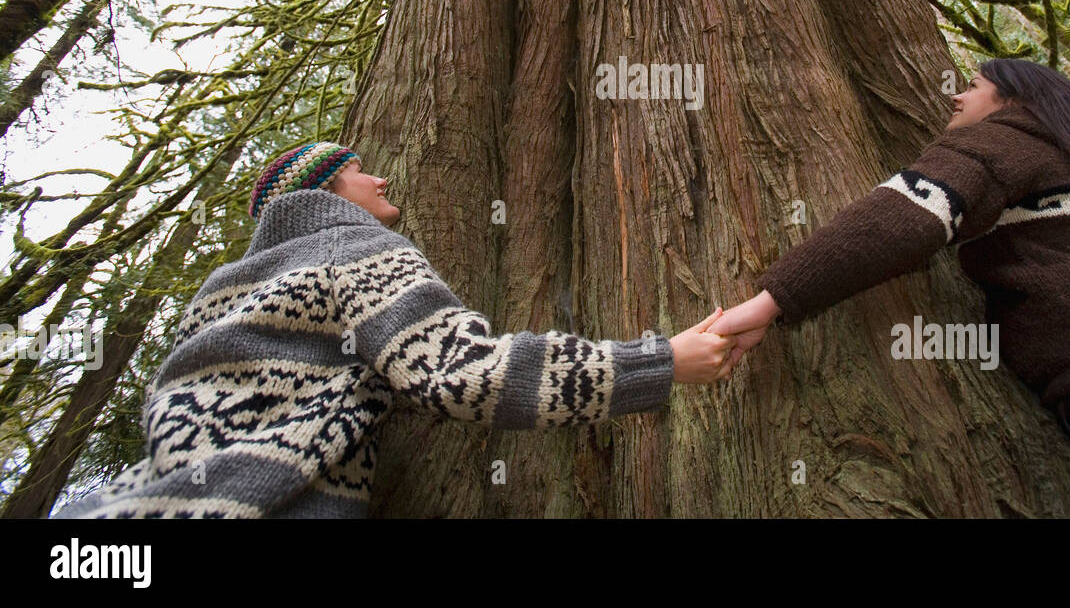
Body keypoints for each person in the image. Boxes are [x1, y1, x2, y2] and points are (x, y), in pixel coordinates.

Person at [712, 58, 1070, 518]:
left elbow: (906, 217)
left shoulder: (1009, 136)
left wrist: (771, 301)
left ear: (1015, 99)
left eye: (971, 85)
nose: (956, 95)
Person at [53, 142, 735, 518]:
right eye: (355, 169)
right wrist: (661, 362)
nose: (378, 175)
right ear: (323, 192)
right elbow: (462, 374)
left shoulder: (219, 289)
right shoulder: (353, 250)